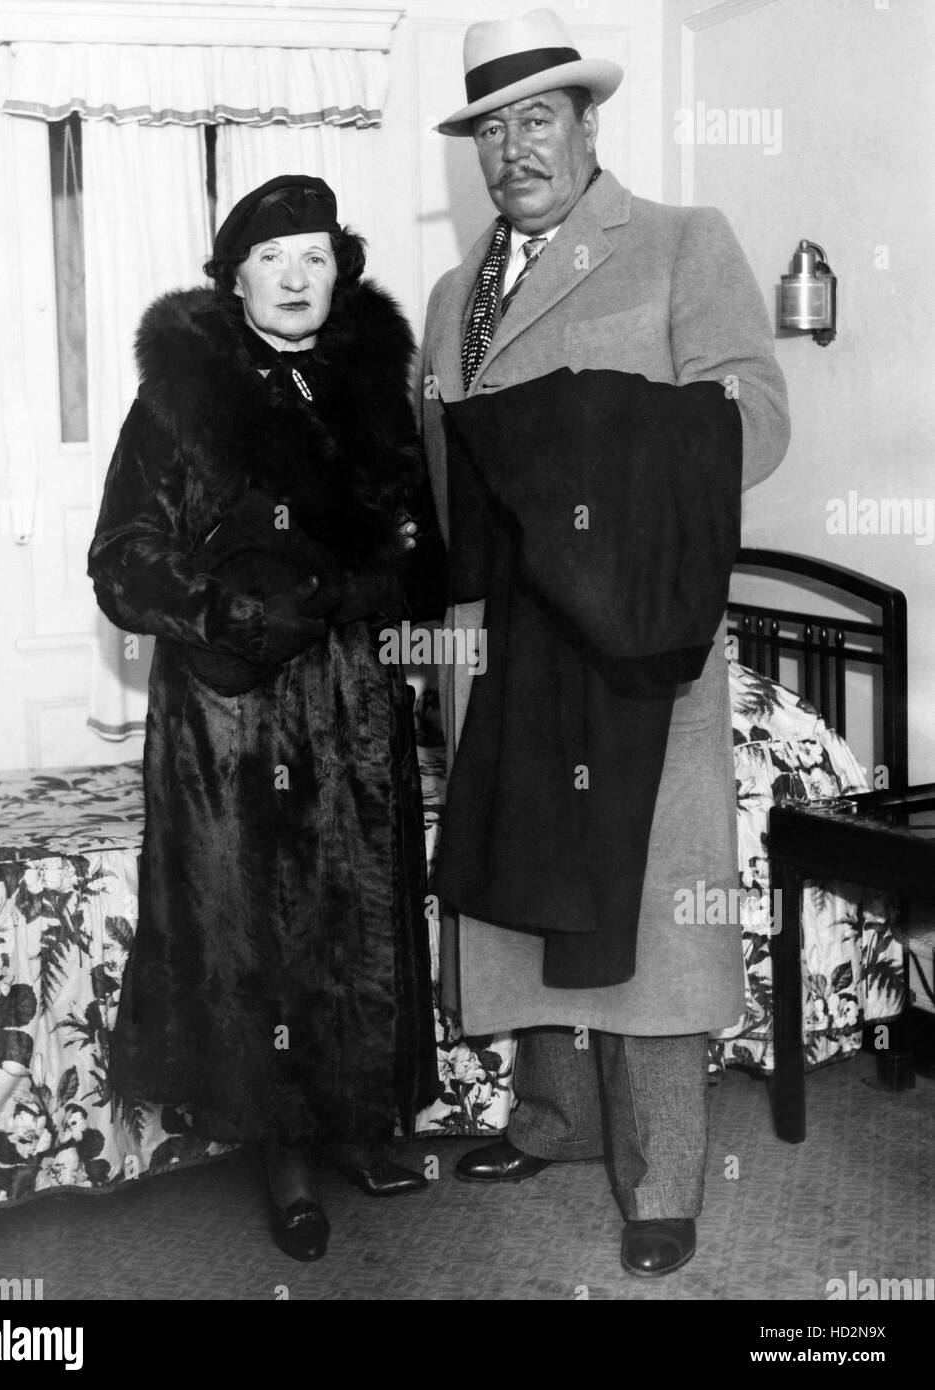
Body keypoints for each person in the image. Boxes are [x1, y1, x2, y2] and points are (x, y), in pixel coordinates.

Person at [420, 9, 790, 1277]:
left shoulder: (684, 243)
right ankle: (550, 1117)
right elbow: (440, 487)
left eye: (537, 118)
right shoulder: (449, 293)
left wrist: (586, 443)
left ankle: (662, 1182)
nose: (511, 147)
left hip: (633, 632)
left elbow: (753, 412)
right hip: (502, 640)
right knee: (518, 874)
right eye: (490, 128)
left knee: (646, 909)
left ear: (587, 125)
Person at [88, 175, 448, 1263]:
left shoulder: (377, 388)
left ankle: (360, 1118)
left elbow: (425, 550)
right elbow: (120, 560)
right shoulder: (179, 398)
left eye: (316, 257)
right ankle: (284, 1148)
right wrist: (230, 611)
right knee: (265, 917)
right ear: (233, 275)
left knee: (363, 904)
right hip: (231, 709)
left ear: (340, 271)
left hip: (352, 695)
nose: (296, 278)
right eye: (272, 257)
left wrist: (368, 590)